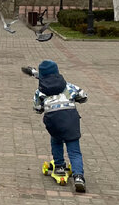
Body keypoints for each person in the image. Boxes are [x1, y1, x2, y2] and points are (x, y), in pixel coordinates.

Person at [31, 59, 89, 193]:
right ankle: (79, 177)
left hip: (53, 120)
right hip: (70, 119)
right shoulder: (69, 86)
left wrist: (42, 106)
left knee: (56, 141)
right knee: (74, 150)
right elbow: (84, 96)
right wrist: (76, 99)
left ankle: (59, 166)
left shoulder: (40, 91)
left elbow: (37, 108)